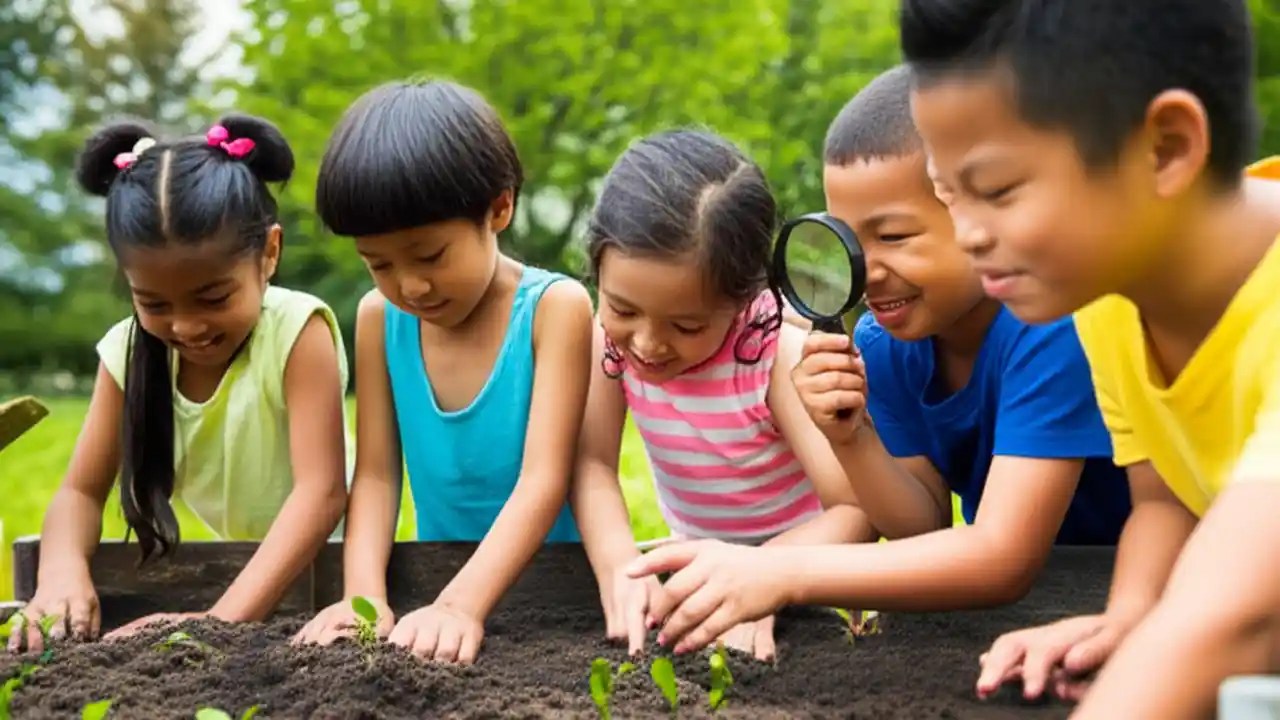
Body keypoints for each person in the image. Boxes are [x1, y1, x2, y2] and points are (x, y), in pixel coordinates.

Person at [622, 66, 1131, 657]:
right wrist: (852, 435)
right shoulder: (885, 345)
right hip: (1040, 615)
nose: (866, 270)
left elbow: (1002, 557)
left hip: (1147, 589)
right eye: (850, 240)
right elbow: (923, 526)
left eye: (894, 236)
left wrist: (782, 573)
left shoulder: (1051, 322)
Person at [896, 0, 1280, 716]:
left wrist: (1172, 645)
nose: (967, 234)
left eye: (998, 190)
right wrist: (1131, 620)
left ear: (1163, 148)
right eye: (949, 194)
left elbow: (1235, 625)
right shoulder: (1111, 293)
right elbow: (1167, 497)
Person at [8, 115, 351, 653]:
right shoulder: (127, 352)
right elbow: (78, 491)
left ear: (270, 254)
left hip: (335, 580)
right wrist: (60, 572)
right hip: (245, 579)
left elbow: (322, 493)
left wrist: (214, 624)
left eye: (214, 299)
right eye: (155, 304)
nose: (187, 327)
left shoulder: (296, 331)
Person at [292, 79, 594, 665]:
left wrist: (462, 606)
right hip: (439, 590)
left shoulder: (554, 309)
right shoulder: (381, 320)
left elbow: (544, 480)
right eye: (378, 264)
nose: (410, 285)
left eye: (430, 256)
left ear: (499, 207)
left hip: (558, 597)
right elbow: (377, 475)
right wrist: (364, 599)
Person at [571, 129, 878, 662]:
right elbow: (594, 463)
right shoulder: (611, 348)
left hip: (805, 582)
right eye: (622, 309)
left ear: (743, 298)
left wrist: (766, 575)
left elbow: (854, 512)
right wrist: (620, 565)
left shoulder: (772, 358)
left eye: (686, 325)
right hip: (704, 578)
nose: (646, 342)